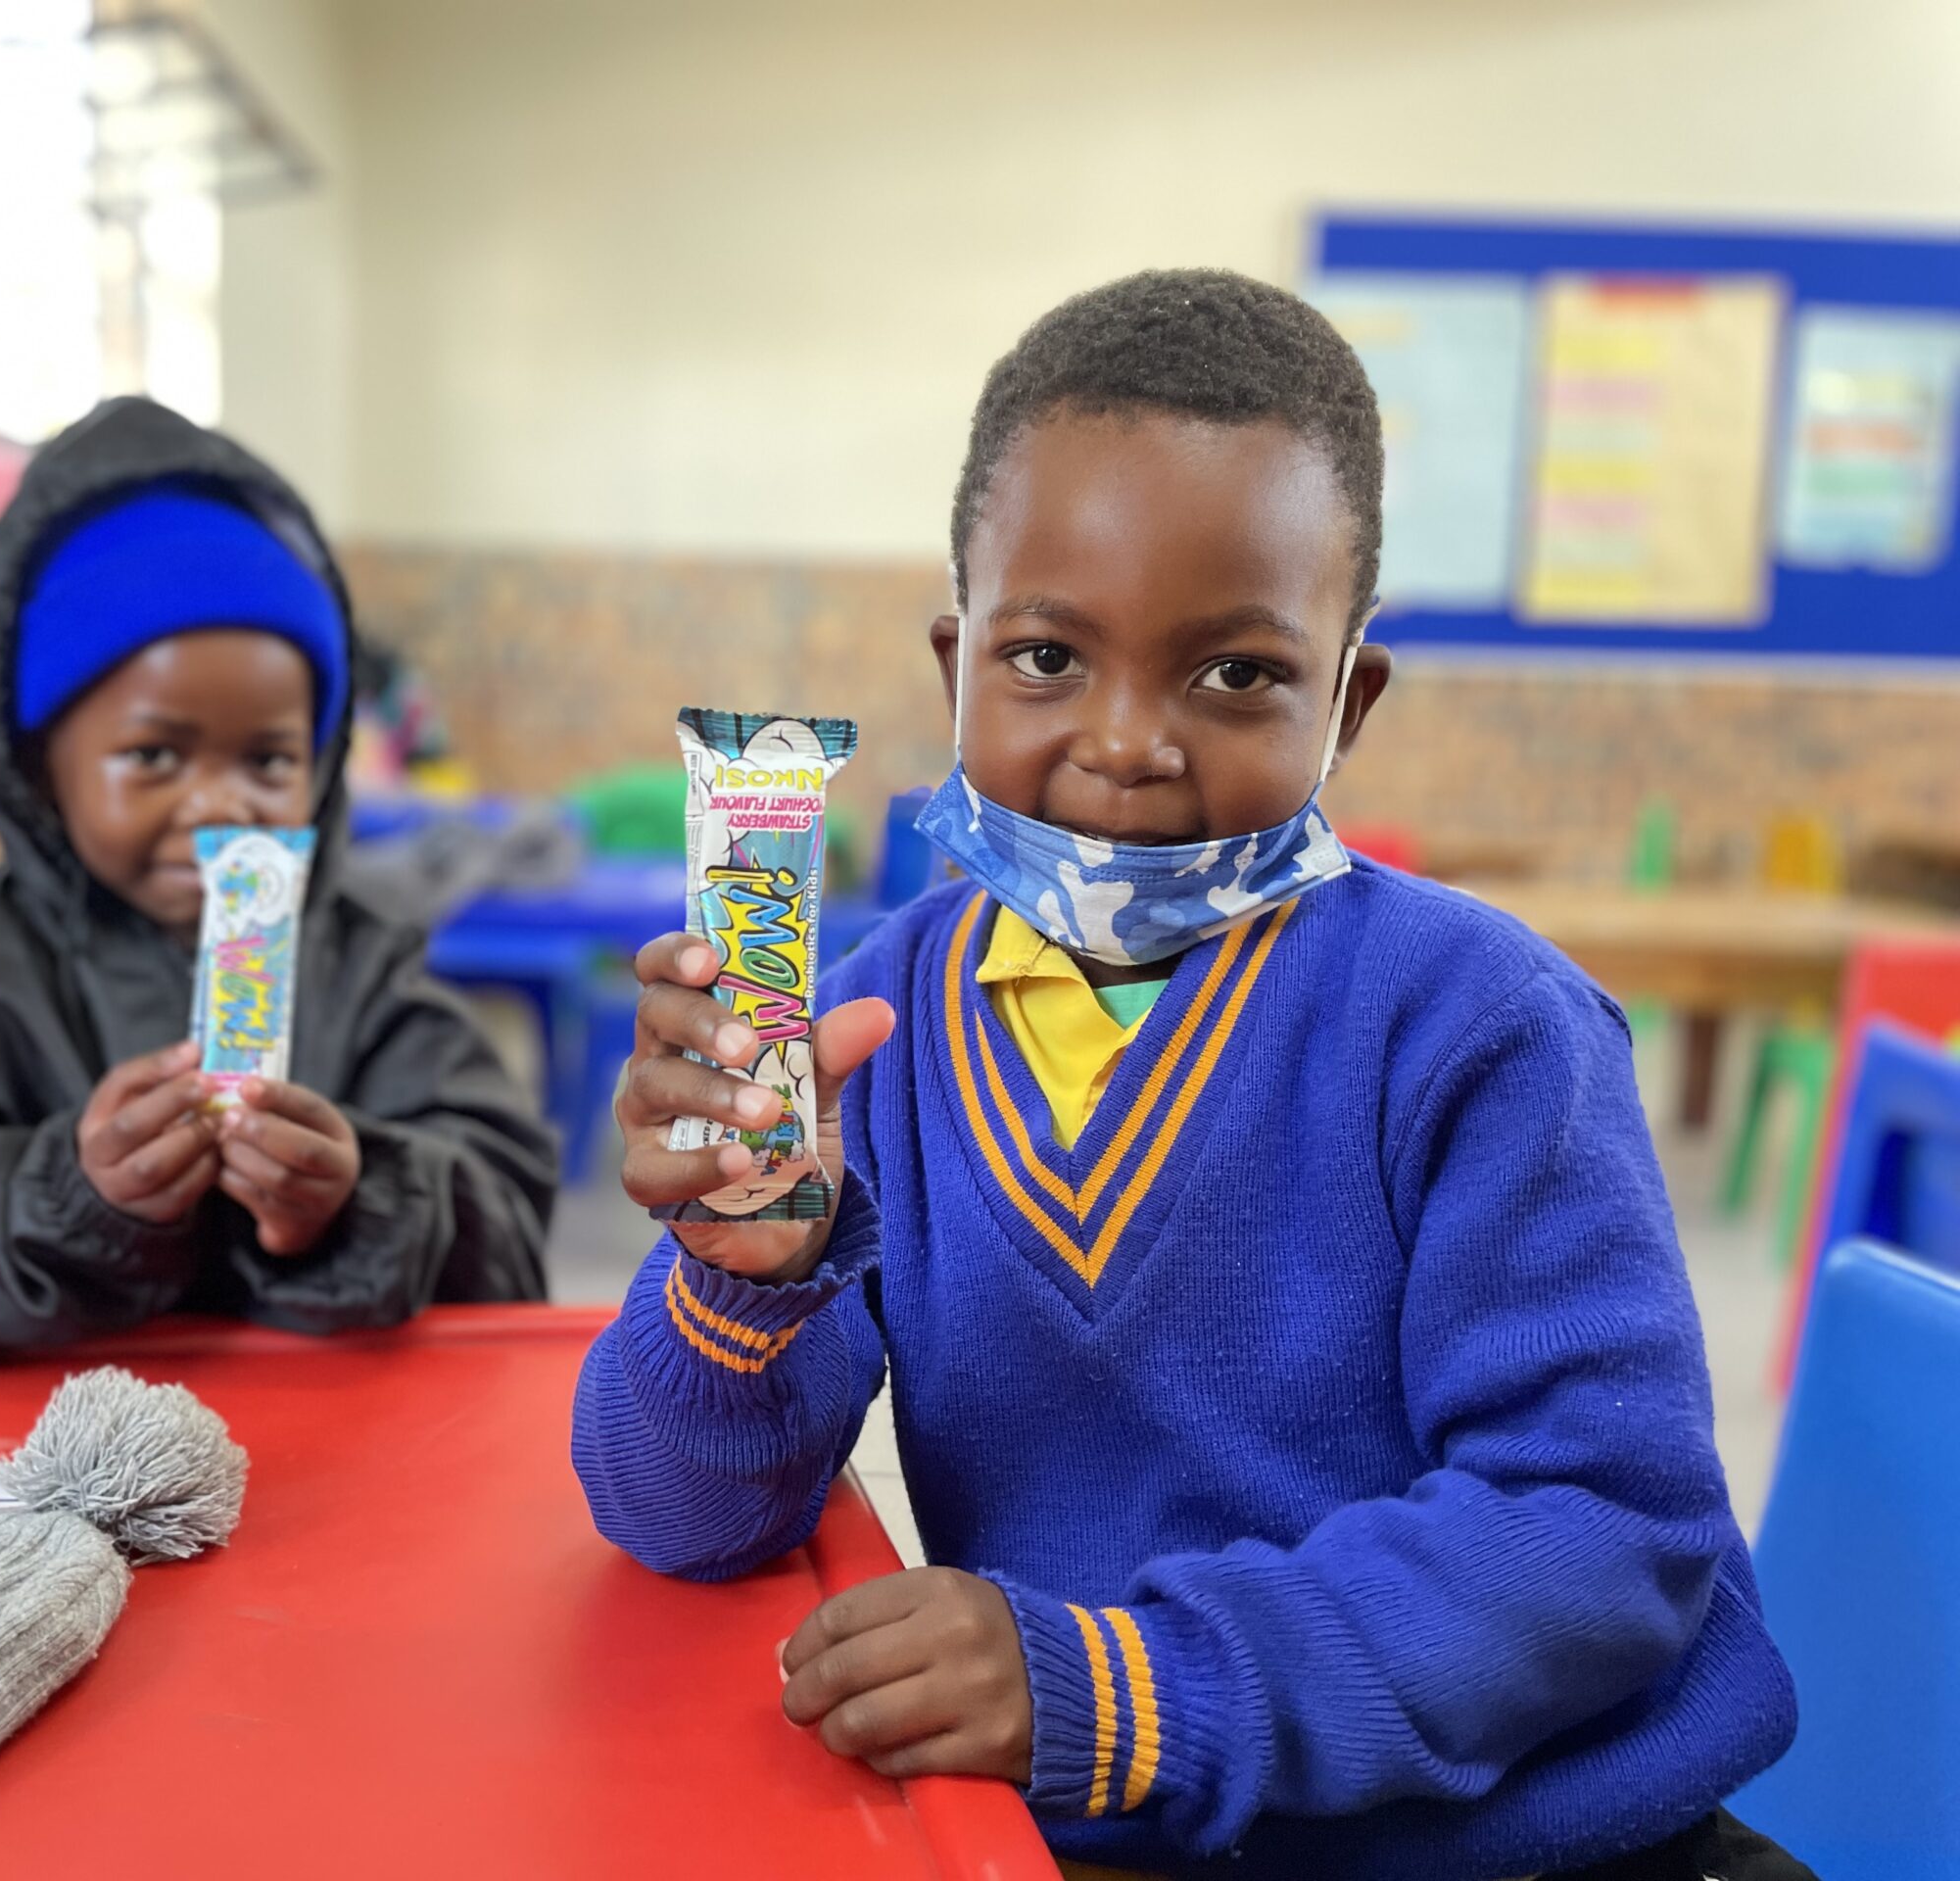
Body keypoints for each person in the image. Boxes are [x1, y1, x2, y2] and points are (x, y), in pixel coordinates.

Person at [571, 273, 1806, 1880]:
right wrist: (743, 1285)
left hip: (1543, 1846)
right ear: (958, 663)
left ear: (1346, 700)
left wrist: (1124, 1690)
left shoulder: (1479, 1024)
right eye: (1044, 657)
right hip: (1115, 1830)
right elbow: (675, 1517)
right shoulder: (867, 1033)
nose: (1128, 742)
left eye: (1235, 675)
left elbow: (1604, 1535)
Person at [0, 397, 554, 1368]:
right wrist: (63, 1202)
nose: (221, 807)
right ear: (41, 768)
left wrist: (363, 1198)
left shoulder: (369, 984)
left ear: (323, 772)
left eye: (270, 762)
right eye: (155, 755)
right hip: (12, 1471)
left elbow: (509, 1230)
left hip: (320, 1462)